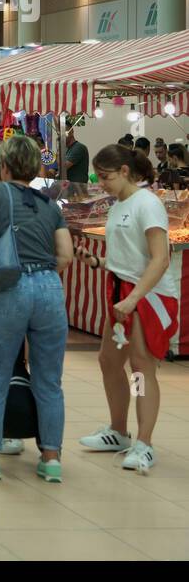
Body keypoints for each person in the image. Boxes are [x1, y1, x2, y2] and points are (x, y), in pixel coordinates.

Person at [0, 135, 73, 482]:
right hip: (49, 288)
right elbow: (67, 256)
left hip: (9, 288)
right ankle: (51, 459)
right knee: (49, 380)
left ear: (4, 164)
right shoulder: (50, 204)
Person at [75, 144, 172, 474]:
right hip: (120, 292)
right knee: (109, 360)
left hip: (147, 296)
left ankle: (144, 443)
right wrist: (99, 261)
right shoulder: (119, 205)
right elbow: (128, 255)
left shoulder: (148, 204)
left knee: (141, 368)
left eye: (106, 177)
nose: (101, 183)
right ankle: (118, 431)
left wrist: (134, 299)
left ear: (126, 172)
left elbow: (160, 259)